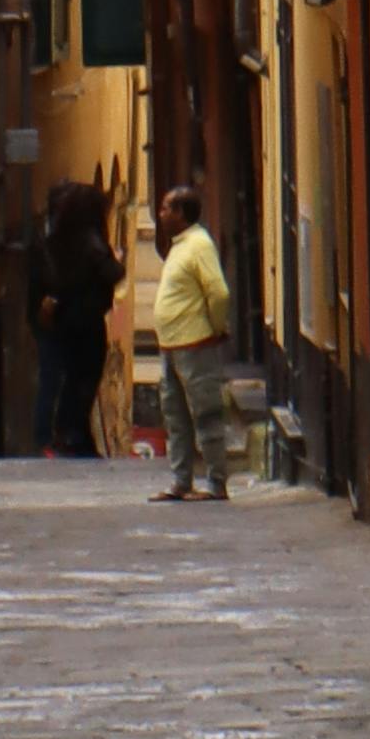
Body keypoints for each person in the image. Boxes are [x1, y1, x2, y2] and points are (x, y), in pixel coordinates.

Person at [150, 168, 237, 503]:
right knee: (176, 417)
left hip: (195, 343)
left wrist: (215, 327)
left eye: (166, 208)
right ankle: (181, 481)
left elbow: (218, 292)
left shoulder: (199, 245)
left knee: (205, 415)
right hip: (172, 345)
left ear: (181, 213)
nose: (161, 214)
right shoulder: (180, 246)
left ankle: (216, 483)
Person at [30, 182, 120, 458]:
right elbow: (112, 273)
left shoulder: (52, 242)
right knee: (83, 381)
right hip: (86, 324)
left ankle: (56, 437)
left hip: (58, 325)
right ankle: (73, 436)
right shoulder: (92, 242)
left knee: (61, 380)